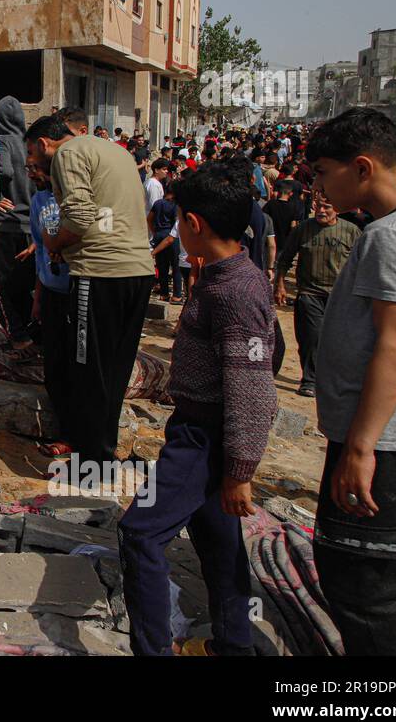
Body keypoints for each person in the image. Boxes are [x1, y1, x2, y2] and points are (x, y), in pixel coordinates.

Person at [304, 109, 396, 655]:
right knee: (379, 578)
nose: (318, 186)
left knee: (358, 583)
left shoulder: (393, 238)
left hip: (388, 440)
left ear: (362, 167)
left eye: (324, 171)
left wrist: (363, 446)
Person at [119, 160, 279, 656]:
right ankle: (234, 642)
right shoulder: (225, 276)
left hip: (205, 438)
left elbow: (253, 387)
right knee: (219, 542)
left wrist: (238, 471)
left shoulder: (236, 291)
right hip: (204, 432)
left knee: (140, 534)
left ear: (193, 224)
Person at [25, 114, 155, 464]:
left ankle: (90, 461)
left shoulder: (68, 155)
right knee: (114, 370)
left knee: (87, 367)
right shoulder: (116, 152)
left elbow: (80, 218)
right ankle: (103, 455)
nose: (34, 166)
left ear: (42, 144)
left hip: (99, 273)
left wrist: (53, 241)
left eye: (31, 157)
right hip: (138, 271)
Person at [274, 194, 360, 397]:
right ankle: (310, 380)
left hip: (340, 296)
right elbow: (285, 258)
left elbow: (363, 262)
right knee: (311, 338)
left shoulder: (351, 232)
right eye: (319, 207)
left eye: (327, 207)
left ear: (337, 209)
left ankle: (332, 378)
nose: (322, 211)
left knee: (337, 340)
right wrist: (279, 285)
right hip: (309, 293)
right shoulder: (303, 229)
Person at [0, 97, 36, 350]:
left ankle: (18, 337)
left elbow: (1, 171)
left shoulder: (1, 140)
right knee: (24, 284)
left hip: (5, 224)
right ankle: (28, 333)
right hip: (30, 228)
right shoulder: (30, 145)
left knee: (0, 285)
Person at [28, 158, 72, 448]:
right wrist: (38, 297)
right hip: (52, 290)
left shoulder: (76, 200)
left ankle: (73, 435)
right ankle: (63, 429)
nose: (32, 174)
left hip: (80, 290)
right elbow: (41, 252)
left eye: (35, 167)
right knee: (55, 365)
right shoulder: (38, 201)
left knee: (76, 364)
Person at [148, 180, 181, 303]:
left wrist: (155, 232)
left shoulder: (158, 203)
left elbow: (149, 219)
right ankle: (177, 295)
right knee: (175, 266)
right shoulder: (175, 205)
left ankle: (164, 293)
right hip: (171, 235)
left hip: (159, 234)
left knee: (162, 266)